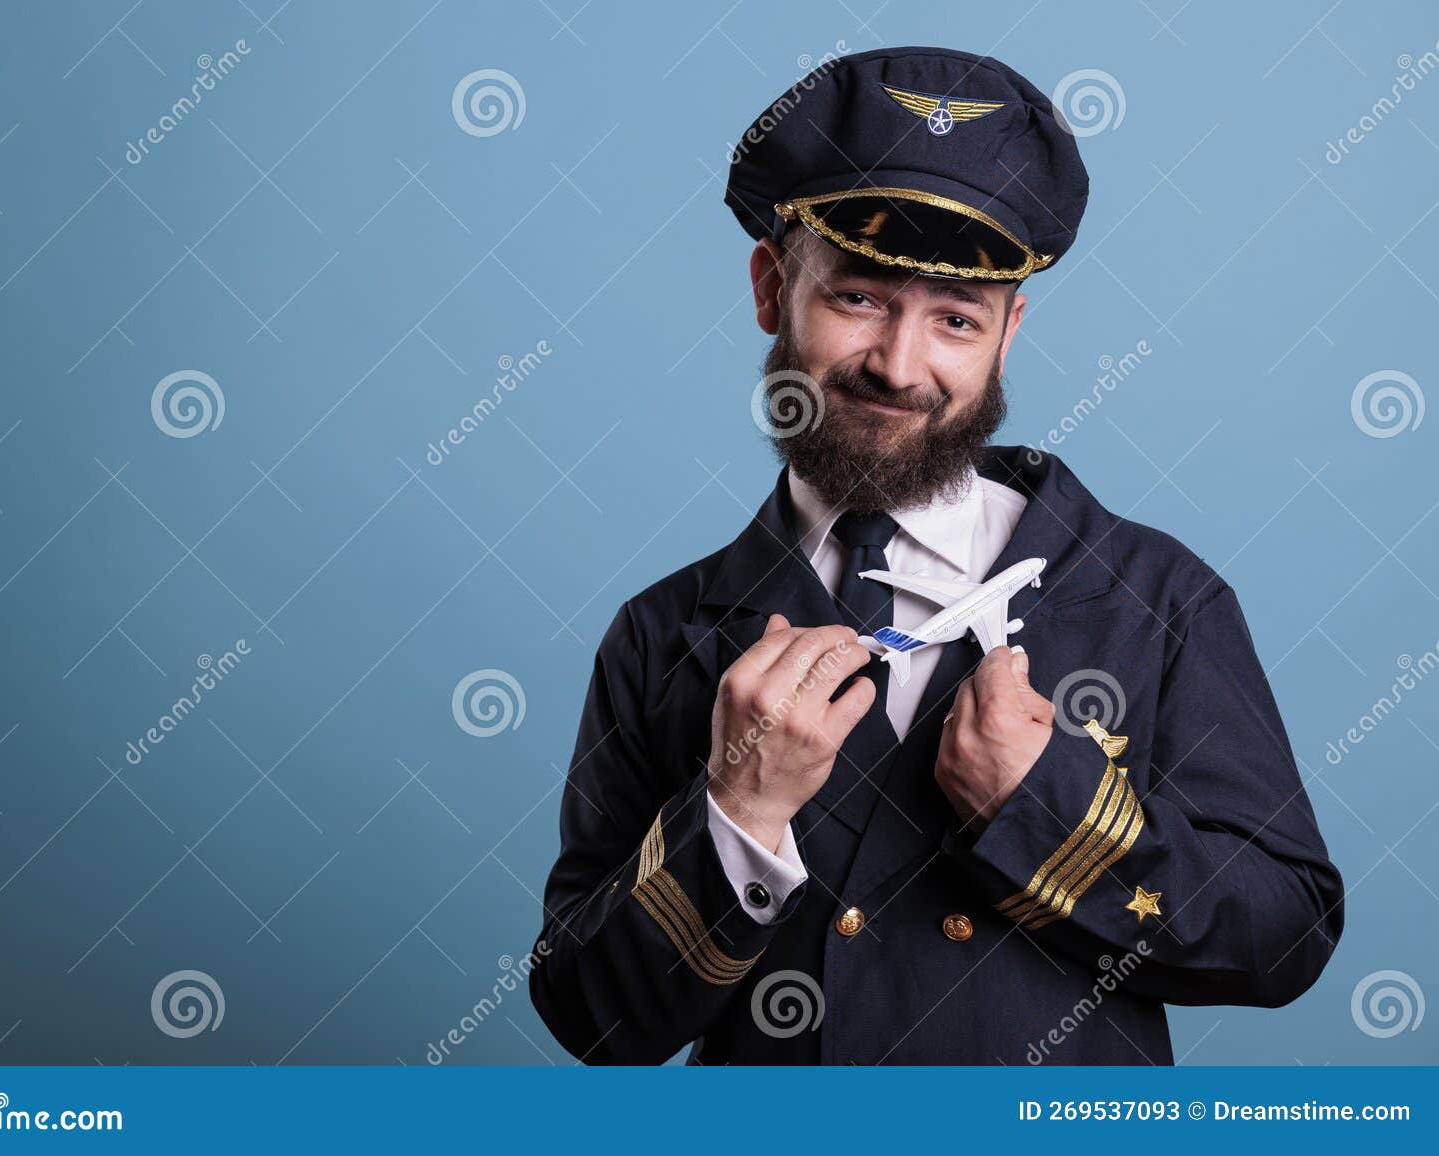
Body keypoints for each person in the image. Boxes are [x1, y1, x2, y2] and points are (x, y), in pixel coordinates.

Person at [528, 46, 1343, 1064]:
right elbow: (588, 1013)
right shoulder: (660, 632)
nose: (898, 367)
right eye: (857, 298)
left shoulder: (1153, 596)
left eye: (955, 319)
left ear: (1006, 336)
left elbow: (1286, 938)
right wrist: (737, 810)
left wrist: (1042, 802)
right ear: (771, 284)